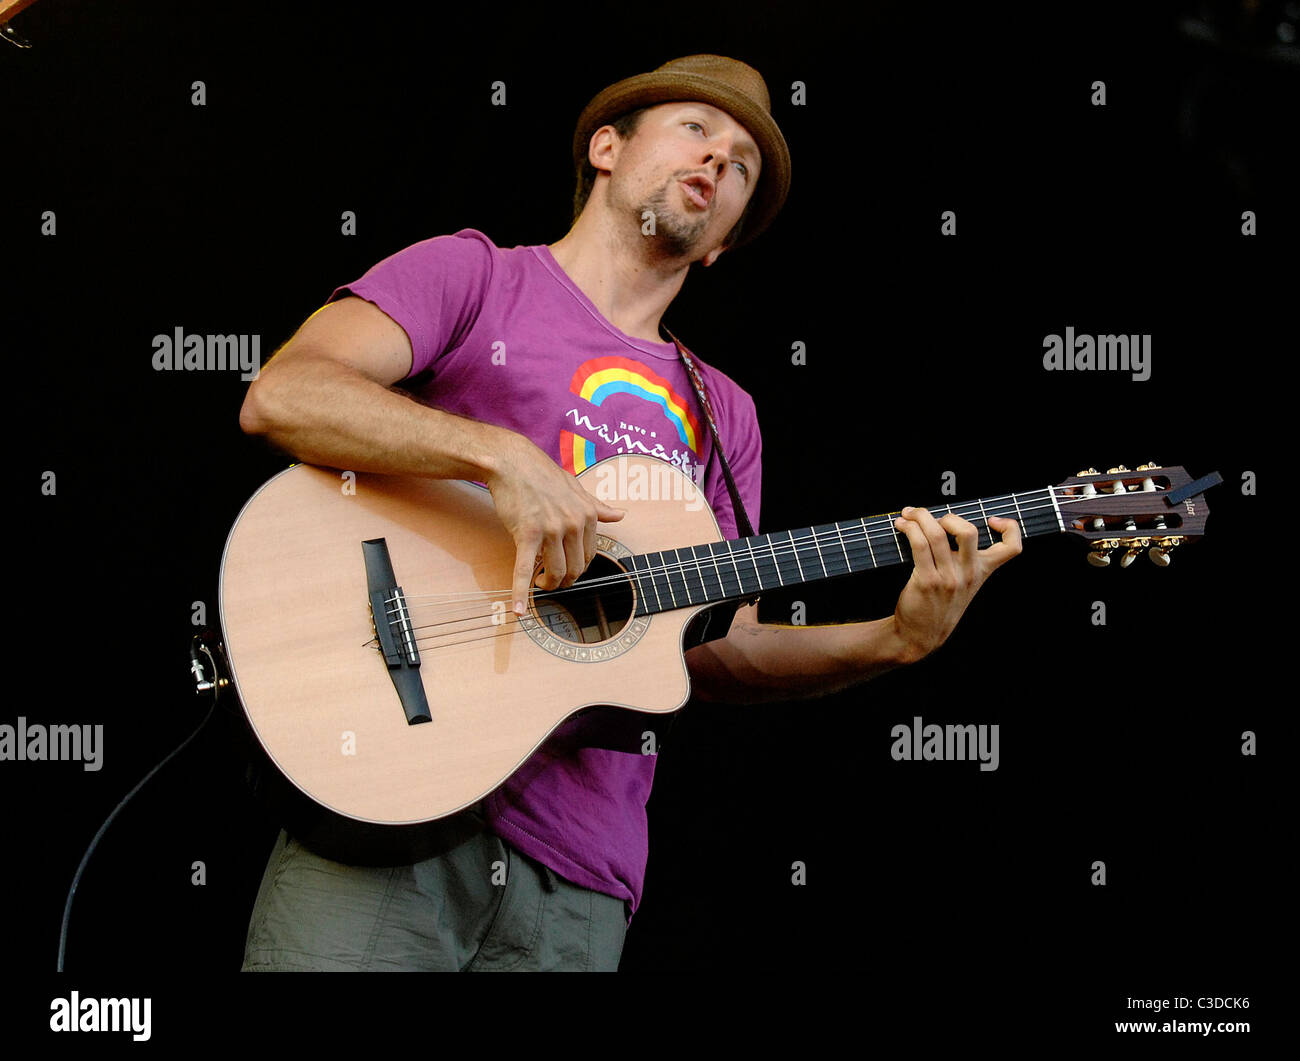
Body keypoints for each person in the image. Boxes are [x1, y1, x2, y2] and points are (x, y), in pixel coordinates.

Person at [235, 54, 1022, 972]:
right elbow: (285, 395)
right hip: (396, 796)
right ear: (607, 147)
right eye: (698, 130)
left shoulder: (723, 412)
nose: (720, 162)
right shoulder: (478, 276)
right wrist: (499, 456)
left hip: (582, 881)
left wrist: (895, 638)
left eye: (744, 167)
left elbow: (719, 644)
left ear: (723, 240)